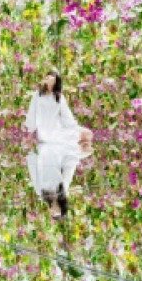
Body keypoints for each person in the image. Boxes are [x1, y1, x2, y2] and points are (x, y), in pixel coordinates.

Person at [24, 71, 93, 218]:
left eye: (52, 78)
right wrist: (29, 130)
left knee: (86, 136)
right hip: (45, 133)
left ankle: (79, 140)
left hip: (55, 133)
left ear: (56, 83)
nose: (48, 79)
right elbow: (32, 112)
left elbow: (67, 116)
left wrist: (74, 128)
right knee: (85, 139)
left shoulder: (42, 193)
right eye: (47, 77)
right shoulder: (38, 94)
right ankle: (78, 141)